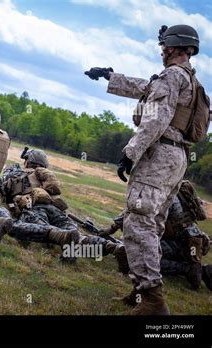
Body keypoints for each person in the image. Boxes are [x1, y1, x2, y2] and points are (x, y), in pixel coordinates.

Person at [85, 25, 202, 315]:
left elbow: (155, 117)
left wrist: (130, 153)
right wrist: (110, 76)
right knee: (154, 224)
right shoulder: (187, 78)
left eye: (165, 47)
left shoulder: (173, 76)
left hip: (160, 155)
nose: (162, 51)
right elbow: (146, 88)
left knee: (139, 222)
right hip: (176, 158)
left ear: (175, 47)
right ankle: (142, 291)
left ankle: (152, 299)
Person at [101, 187, 211, 292]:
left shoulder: (164, 197)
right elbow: (132, 211)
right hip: (182, 243)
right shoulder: (163, 191)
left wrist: (112, 230)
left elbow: (136, 214)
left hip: (180, 244)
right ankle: (199, 270)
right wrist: (111, 229)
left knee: (142, 257)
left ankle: (187, 269)